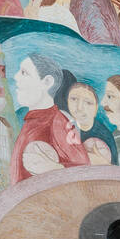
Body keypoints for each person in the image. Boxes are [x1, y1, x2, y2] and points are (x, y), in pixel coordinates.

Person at [9, 53, 91, 183]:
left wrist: (54, 168)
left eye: (24, 73)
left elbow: (84, 168)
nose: (16, 77)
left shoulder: (57, 122)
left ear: (47, 82)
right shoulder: (32, 121)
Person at [54, 71, 116, 165]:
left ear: (96, 109)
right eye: (74, 99)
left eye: (88, 103)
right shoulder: (64, 126)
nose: (79, 108)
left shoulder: (103, 137)